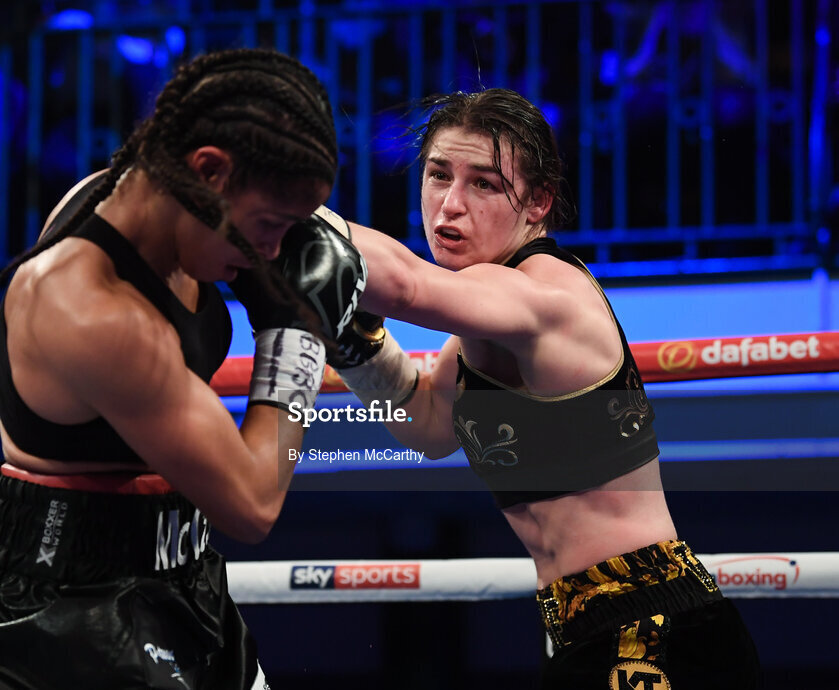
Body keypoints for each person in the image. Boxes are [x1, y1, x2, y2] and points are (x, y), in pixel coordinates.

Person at [318, 88, 762, 688]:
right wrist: (357, 338)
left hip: (651, 627)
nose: (449, 205)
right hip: (586, 627)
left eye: (484, 184)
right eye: (437, 175)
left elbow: (403, 284)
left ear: (538, 201)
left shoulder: (544, 295)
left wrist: (285, 209)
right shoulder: (483, 324)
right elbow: (426, 427)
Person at [0, 48, 365, 689]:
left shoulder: (168, 206)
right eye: (267, 225)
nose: (275, 251)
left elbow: (372, 268)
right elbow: (253, 503)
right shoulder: (91, 308)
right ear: (210, 172)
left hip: (185, 574)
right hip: (61, 611)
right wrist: (297, 334)